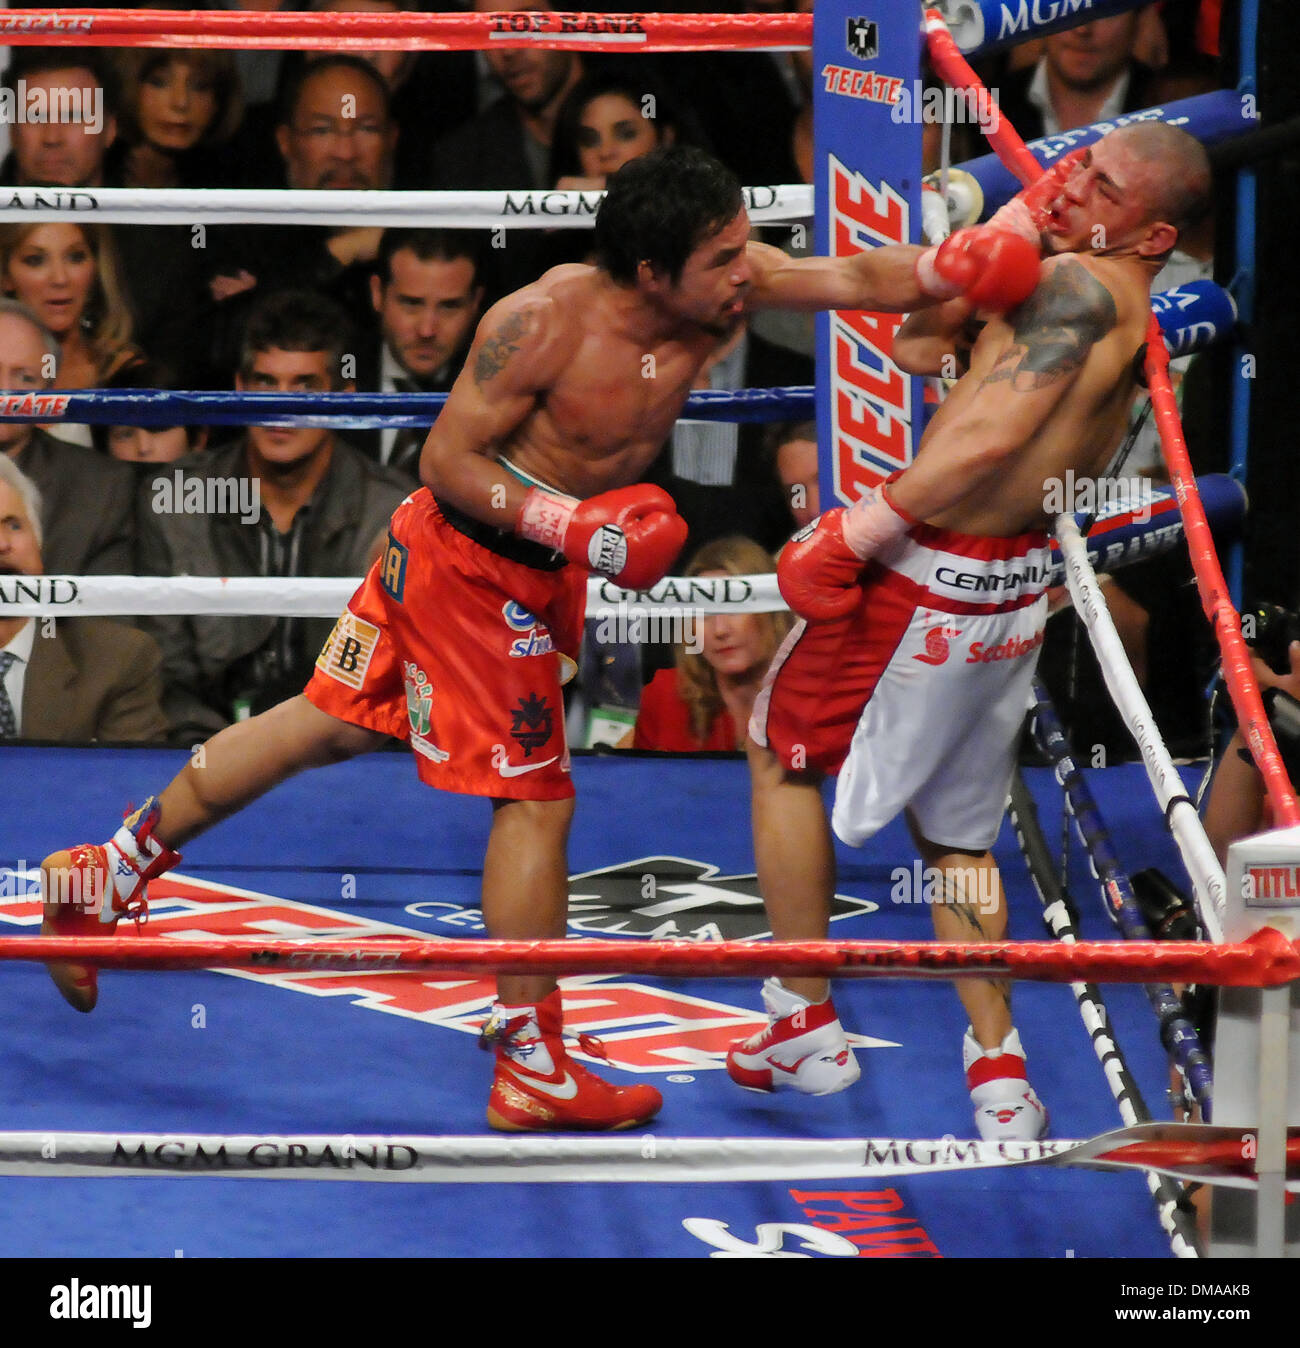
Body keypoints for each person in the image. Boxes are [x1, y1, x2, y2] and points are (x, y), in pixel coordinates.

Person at [39, 146, 1037, 1133]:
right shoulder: (541, 322)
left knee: (324, 722)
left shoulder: (727, 281)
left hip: (518, 565)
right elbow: (445, 456)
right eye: (723, 259)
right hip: (473, 566)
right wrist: (579, 527)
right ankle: (531, 1060)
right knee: (534, 798)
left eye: (746, 248)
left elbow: (859, 275)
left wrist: (958, 264)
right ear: (652, 274)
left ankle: (106, 870)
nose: (749, 272)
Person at [729, 124, 1212, 1142]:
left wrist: (855, 532)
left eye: (1103, 185)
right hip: (1006, 592)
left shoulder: (1079, 293)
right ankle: (999, 1075)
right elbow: (916, 345)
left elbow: (988, 433)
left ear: (1153, 230)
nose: (1072, 182)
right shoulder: (1077, 278)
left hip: (926, 573)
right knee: (954, 832)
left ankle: (801, 1017)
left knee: (779, 755)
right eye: (1078, 164)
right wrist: (1005, 228)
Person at [136, 289, 410, 742]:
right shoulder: (179, 498)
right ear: (240, 389)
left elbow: (393, 675)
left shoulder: (392, 509)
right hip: (203, 751)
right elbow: (164, 670)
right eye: (265, 383)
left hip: (341, 752)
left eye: (304, 385)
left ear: (344, 397)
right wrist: (223, 760)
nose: (281, 406)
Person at [0, 456, 166, 743]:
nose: (3, 544)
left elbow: (132, 783)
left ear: (39, 543)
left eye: (14, 526)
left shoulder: (117, 660)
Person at [0, 300, 135, 574]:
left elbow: (106, 614)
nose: (5, 393)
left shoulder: (101, 488)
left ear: (47, 392)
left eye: (25, 378)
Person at [630, 536, 792, 752]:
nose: (720, 630)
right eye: (705, 613)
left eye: (734, 608)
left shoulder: (820, 696)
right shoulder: (663, 697)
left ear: (772, 612)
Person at [354, 229, 487, 474]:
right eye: (411, 303)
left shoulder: (495, 389)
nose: (427, 330)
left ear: (475, 302)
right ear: (377, 293)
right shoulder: (337, 373)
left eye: (449, 307)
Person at [0, 222, 140, 396]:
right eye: (35, 260)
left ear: (96, 268)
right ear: (6, 275)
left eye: (76, 257)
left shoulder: (128, 376)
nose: (60, 279)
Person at [113, 48, 243, 189]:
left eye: (199, 86)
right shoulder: (95, 171)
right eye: (159, 82)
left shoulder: (236, 179)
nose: (181, 102)